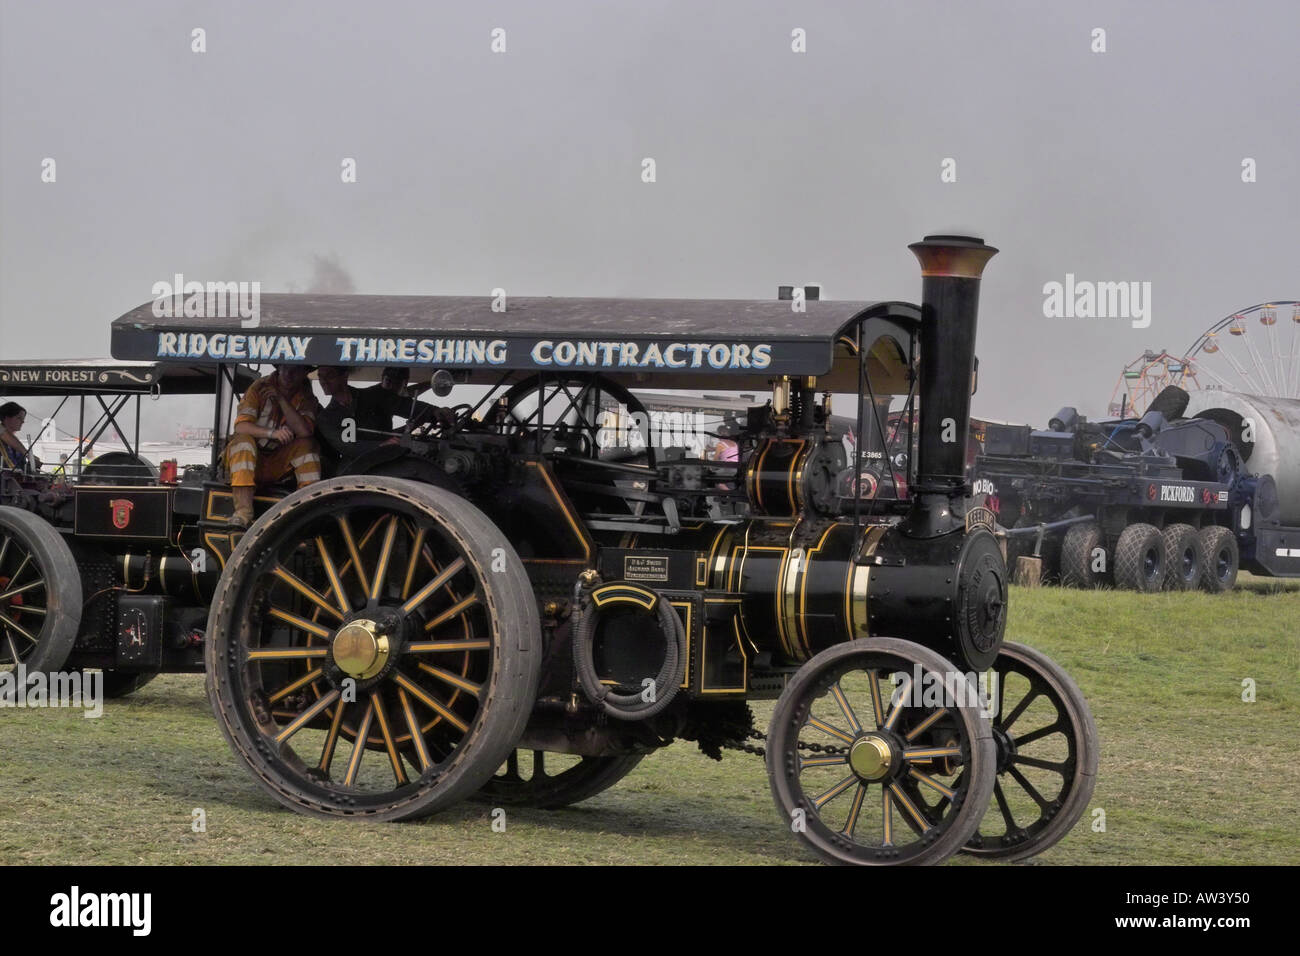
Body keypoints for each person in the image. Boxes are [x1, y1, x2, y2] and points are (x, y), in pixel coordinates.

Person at [223, 365, 321, 528]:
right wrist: (273, 433)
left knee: (307, 446)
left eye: (295, 370)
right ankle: (242, 514)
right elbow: (241, 427)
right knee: (243, 443)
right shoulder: (258, 388)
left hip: (277, 464)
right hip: (250, 463)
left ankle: (307, 514)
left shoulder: (307, 397)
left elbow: (304, 431)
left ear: (305, 373)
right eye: (285, 368)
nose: (289, 374)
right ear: (278, 368)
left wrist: (280, 399)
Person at [314, 366, 449, 472]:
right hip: (355, 467)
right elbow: (347, 446)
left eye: (329, 376)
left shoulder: (374, 395)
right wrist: (380, 446)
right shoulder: (326, 418)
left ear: (345, 376)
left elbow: (404, 405)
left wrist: (435, 411)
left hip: (391, 459)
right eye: (320, 377)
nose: (323, 382)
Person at [0, 402, 39, 471]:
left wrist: (32, 465)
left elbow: (21, 467)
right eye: (19, 418)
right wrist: (28, 455)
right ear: (7, 418)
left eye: (23, 419)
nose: (23, 422)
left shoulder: (16, 444)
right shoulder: (3, 442)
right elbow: (11, 469)